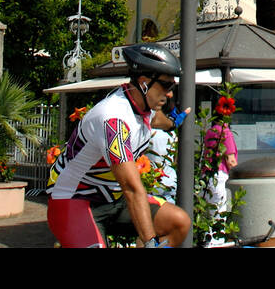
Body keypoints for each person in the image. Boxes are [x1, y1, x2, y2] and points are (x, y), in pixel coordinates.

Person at [47, 42, 193, 248]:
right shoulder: (114, 120)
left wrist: (173, 123)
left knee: (179, 223)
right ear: (144, 83)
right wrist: (150, 242)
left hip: (113, 201)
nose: (170, 94)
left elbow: (156, 119)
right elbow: (132, 188)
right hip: (74, 200)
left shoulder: (142, 106)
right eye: (166, 85)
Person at [201, 93, 238, 245]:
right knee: (219, 215)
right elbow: (230, 160)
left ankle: (208, 243)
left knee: (208, 216)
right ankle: (216, 244)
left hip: (207, 176)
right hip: (220, 175)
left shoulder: (211, 130)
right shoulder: (226, 132)